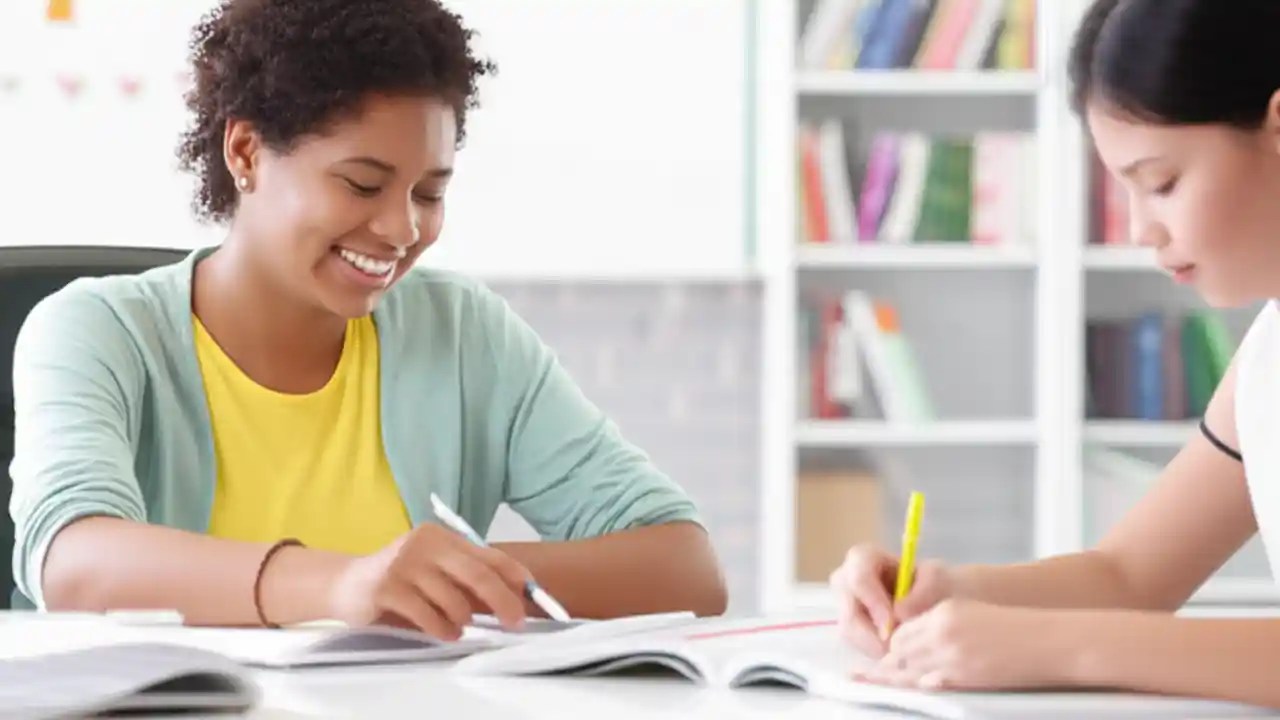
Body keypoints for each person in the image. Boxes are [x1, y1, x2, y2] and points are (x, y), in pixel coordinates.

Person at [8, 0, 727, 636]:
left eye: (429, 192)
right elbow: (74, 564)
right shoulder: (95, 331)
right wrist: (346, 584)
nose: (401, 227)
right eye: (363, 183)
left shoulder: (464, 336)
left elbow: (685, 565)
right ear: (245, 152)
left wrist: (453, 579)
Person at [830, 0, 1280, 709]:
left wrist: (1053, 645)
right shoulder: (1266, 360)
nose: (1140, 230)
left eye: (1162, 183)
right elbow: (1129, 576)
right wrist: (950, 595)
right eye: (1123, 191)